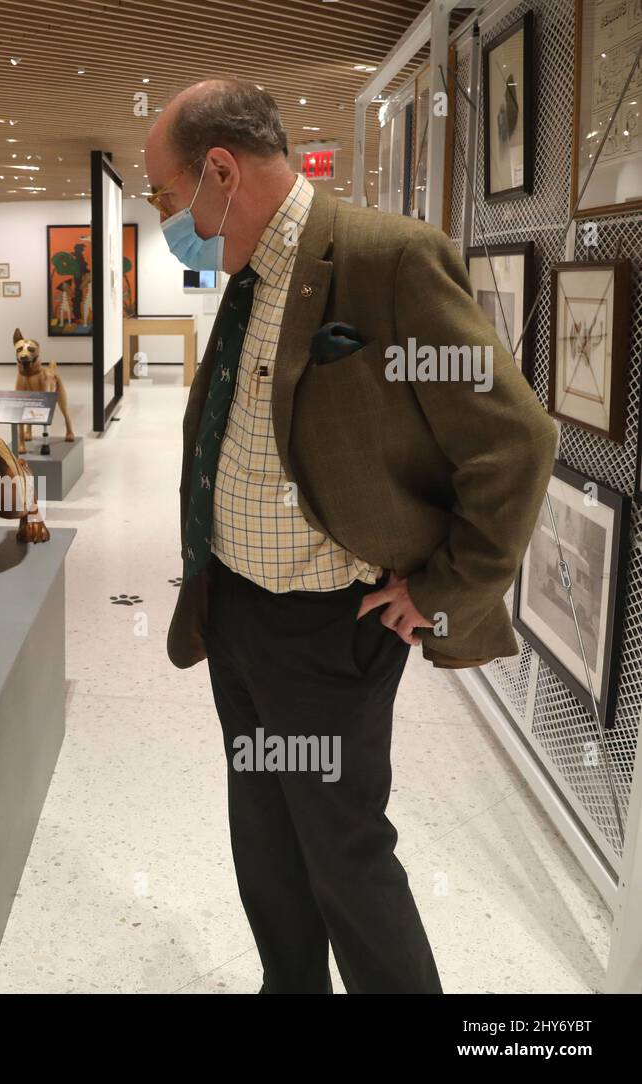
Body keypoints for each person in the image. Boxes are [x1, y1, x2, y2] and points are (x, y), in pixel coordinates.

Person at [146, 79, 557, 993]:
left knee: (345, 856)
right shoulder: (246, 274)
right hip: (237, 614)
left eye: (164, 195)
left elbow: (516, 439)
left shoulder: (387, 259)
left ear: (220, 170)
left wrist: (445, 590)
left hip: (332, 630)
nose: (166, 217)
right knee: (264, 835)